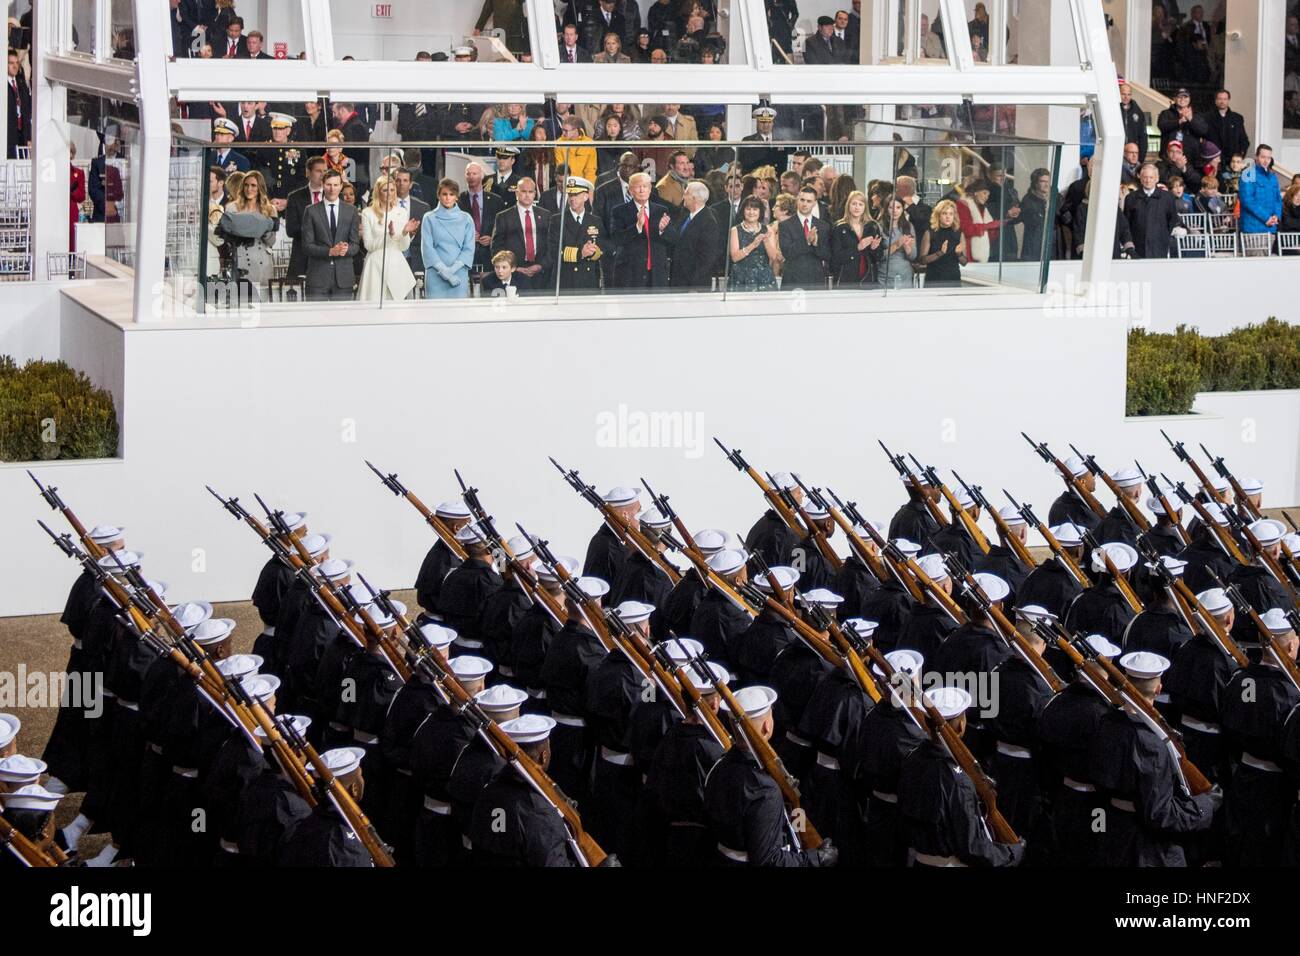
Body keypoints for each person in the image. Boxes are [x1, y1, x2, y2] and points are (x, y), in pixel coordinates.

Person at [1088, 651, 1218, 866]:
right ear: (1158, 689)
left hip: (1111, 833)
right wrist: (1204, 806)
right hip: (1147, 849)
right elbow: (1160, 814)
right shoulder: (1152, 743)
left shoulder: (1105, 722)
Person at [703, 685, 839, 867]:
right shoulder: (765, 789)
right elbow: (768, 860)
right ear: (767, 727)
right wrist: (816, 859)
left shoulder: (718, 767)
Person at [898, 685, 1026, 867]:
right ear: (960, 725)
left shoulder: (911, 760)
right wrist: (1011, 853)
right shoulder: (957, 780)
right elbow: (973, 847)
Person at [302, 169, 360, 301]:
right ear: (322, 184)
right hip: (317, 278)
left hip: (343, 278)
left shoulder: (351, 211)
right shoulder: (311, 211)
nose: (332, 189)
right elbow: (306, 246)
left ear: (340, 186)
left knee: (342, 320)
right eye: (328, 184)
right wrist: (330, 251)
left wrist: (346, 249)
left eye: (335, 185)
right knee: (315, 320)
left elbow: (355, 245)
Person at [356, 174, 416, 303]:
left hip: (396, 265)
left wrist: (405, 233)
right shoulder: (368, 213)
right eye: (385, 190)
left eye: (392, 190)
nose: (389, 193)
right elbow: (369, 245)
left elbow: (403, 247)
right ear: (378, 192)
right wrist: (388, 235)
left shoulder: (401, 212)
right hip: (375, 266)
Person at [218, 168, 279, 289]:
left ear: (260, 187)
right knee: (243, 301)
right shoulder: (232, 208)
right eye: (246, 185)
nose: (249, 189)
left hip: (263, 263)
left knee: (263, 302)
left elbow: (272, 241)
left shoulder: (269, 209)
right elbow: (228, 236)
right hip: (242, 261)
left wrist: (263, 229)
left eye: (253, 185)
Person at [610, 171, 673, 289]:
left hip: (656, 275)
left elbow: (673, 239)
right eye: (638, 187)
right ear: (630, 190)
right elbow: (616, 239)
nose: (642, 190)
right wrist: (637, 227)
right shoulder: (619, 211)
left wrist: (662, 230)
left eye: (645, 186)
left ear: (650, 189)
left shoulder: (661, 210)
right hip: (630, 275)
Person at [490, 177, 551, 292]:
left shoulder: (546, 215)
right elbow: (497, 247)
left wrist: (541, 266)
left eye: (530, 192)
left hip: (541, 275)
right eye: (523, 191)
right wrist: (514, 268)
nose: (527, 195)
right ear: (517, 193)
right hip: (514, 275)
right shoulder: (503, 217)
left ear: (534, 194)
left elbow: (551, 246)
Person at [549, 176, 608, 292]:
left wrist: (593, 251)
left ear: (586, 196)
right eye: (570, 195)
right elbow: (554, 251)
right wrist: (581, 252)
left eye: (576, 195)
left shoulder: (595, 221)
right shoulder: (557, 220)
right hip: (566, 281)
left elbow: (603, 247)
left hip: (588, 281)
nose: (572, 199)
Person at [421, 177, 476, 299]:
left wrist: (451, 271)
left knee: (458, 314)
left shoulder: (466, 219)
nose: (447, 197)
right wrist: (444, 272)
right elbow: (427, 248)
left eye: (451, 194)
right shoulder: (429, 218)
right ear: (438, 196)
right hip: (435, 274)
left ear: (456, 197)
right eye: (444, 194)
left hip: (458, 274)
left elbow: (468, 248)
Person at [667, 180, 721, 290]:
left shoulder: (708, 222)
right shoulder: (685, 215)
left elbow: (707, 259)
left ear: (694, 198)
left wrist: (693, 286)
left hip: (694, 285)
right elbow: (677, 240)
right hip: (678, 280)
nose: (683, 197)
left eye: (686, 194)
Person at [776, 185, 830, 289]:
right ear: (797, 200)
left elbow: (827, 255)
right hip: (792, 280)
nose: (805, 204)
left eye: (809, 201)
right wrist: (806, 240)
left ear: (814, 203)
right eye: (802, 200)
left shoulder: (823, 226)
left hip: (816, 280)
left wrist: (816, 244)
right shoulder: (785, 225)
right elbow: (787, 253)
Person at [1124, 163, 1178, 259]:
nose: (1148, 180)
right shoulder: (1131, 198)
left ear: (1157, 178)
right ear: (1140, 178)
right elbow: (1127, 221)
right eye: (1145, 177)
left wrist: (1163, 234)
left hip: (1159, 244)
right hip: (1138, 245)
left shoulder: (1167, 197)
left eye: (1151, 177)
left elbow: (1172, 219)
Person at [727, 195, 779, 292]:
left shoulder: (768, 229)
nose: (751, 212)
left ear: (760, 212)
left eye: (755, 209)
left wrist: (766, 241)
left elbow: (773, 257)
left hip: (764, 277)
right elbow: (734, 257)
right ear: (743, 211)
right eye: (748, 209)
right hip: (741, 277)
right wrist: (753, 244)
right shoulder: (735, 230)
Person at [1237, 145, 1282, 247]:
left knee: (1268, 262)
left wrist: (1276, 216)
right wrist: (1266, 218)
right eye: (1263, 157)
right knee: (1255, 261)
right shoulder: (1248, 174)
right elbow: (1247, 200)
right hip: (1253, 228)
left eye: (1268, 158)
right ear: (1256, 156)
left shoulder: (1273, 176)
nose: (1266, 161)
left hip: (1270, 227)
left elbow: (1278, 199)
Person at [917, 198, 965, 288]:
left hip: (953, 278)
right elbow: (922, 260)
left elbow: (964, 262)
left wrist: (959, 254)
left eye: (951, 214)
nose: (948, 217)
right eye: (944, 213)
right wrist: (940, 253)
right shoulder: (930, 233)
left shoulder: (958, 233)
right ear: (938, 215)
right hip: (934, 279)